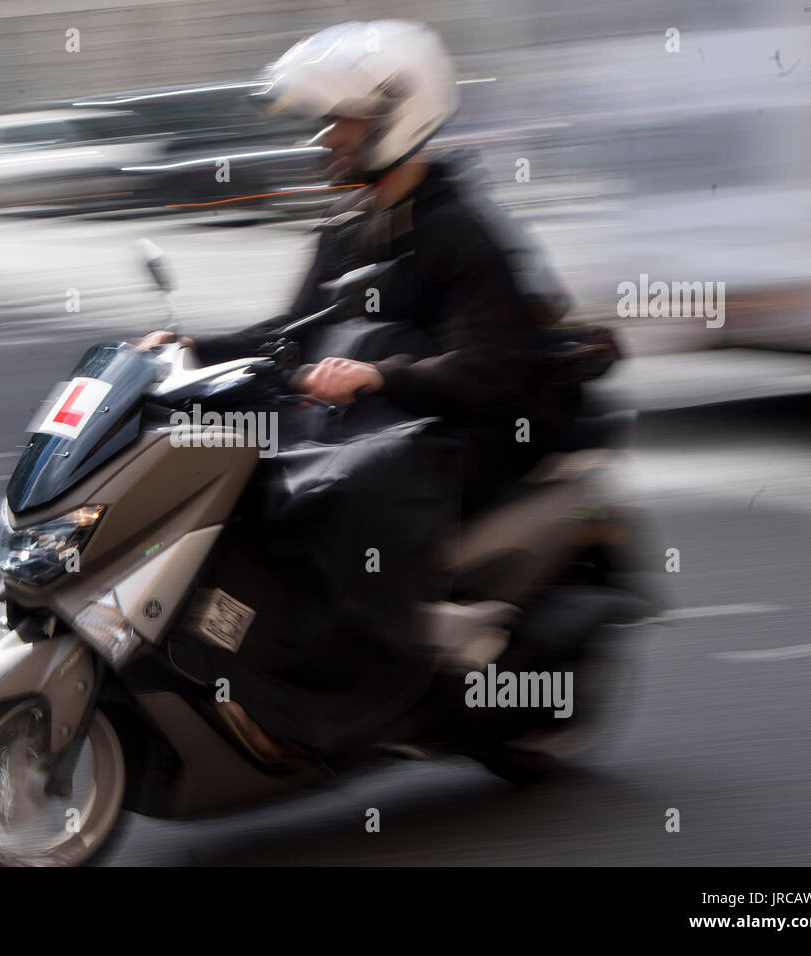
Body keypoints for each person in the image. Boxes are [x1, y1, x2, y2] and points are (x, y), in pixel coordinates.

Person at [135, 20, 576, 762]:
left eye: (342, 120)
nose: (326, 139)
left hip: (465, 430)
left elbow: (496, 364)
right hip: (377, 417)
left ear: (398, 114)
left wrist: (378, 375)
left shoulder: (459, 230)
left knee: (335, 491)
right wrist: (191, 347)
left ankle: (348, 696)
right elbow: (295, 332)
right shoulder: (349, 220)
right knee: (239, 451)